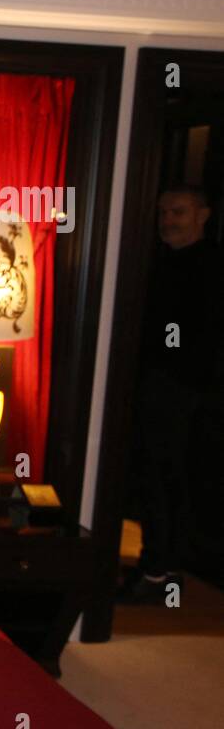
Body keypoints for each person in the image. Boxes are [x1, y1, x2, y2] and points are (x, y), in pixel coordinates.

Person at [120, 184, 223, 604]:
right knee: (154, 478)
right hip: (163, 386)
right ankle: (162, 566)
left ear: (203, 215)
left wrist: (168, 358)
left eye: (177, 212)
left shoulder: (209, 266)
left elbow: (185, 336)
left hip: (183, 391)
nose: (168, 221)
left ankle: (162, 570)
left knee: (167, 479)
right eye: (163, 213)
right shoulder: (163, 261)